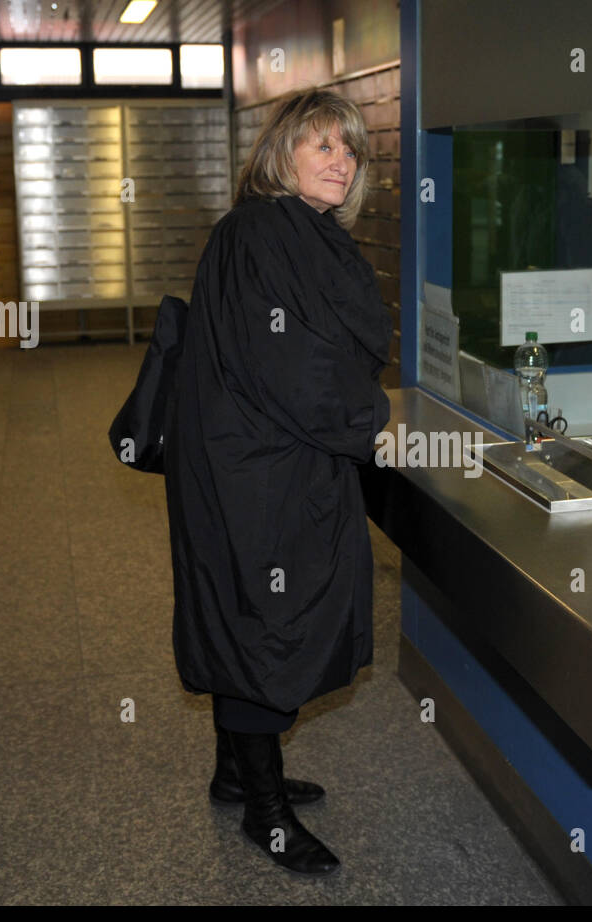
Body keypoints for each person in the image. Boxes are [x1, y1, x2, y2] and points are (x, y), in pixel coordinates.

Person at [163, 87, 392, 876]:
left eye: (350, 147)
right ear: (281, 155)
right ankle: (266, 813)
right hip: (256, 470)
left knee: (250, 612)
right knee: (265, 618)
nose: (340, 160)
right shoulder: (263, 233)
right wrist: (374, 414)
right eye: (321, 144)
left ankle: (237, 770)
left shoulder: (297, 232)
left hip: (265, 456)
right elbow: (293, 365)